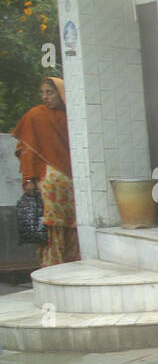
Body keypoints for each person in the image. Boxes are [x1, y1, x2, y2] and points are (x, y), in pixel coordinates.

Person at [11, 77, 79, 267]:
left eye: (49, 92)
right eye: (42, 93)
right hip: (48, 182)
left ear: (61, 94)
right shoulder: (35, 115)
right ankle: (52, 269)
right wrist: (28, 179)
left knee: (72, 227)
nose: (45, 97)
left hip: (71, 184)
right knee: (50, 228)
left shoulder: (72, 117)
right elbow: (27, 152)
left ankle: (72, 268)